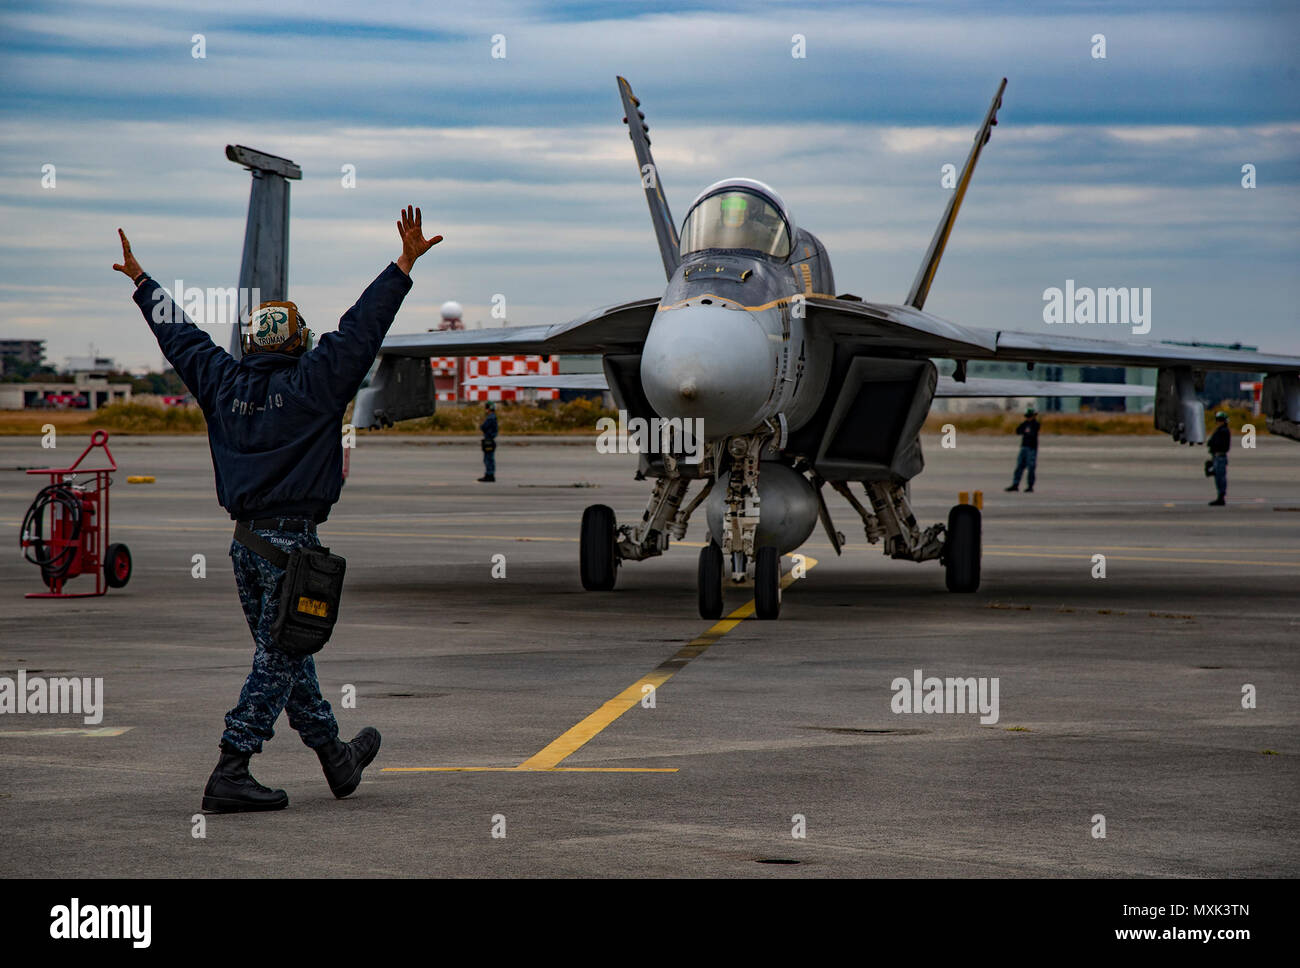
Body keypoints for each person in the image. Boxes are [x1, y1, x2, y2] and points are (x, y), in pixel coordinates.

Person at [113, 206, 442, 813]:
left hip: (244, 547)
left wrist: (144, 285)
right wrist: (402, 265)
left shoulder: (221, 382)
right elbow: (362, 328)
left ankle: (336, 759)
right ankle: (231, 768)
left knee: (289, 655)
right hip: (292, 547)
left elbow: (181, 338)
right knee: (280, 657)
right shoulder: (317, 381)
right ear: (299, 341)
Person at [1004, 406, 1041, 493]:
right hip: (1023, 447)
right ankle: (1015, 484)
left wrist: (1026, 431)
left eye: (1030, 416)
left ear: (1034, 415)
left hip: (1031, 448)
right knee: (1019, 467)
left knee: (1031, 467)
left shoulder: (1036, 424)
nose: (1028, 418)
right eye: (1027, 416)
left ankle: (1030, 486)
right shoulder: (1025, 424)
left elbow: (1031, 433)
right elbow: (1018, 431)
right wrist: (1025, 428)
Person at [1207, 411, 1231, 506]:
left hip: (1220, 457)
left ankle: (1221, 497)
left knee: (1220, 478)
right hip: (1216, 456)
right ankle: (1220, 496)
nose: (1218, 422)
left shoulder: (1223, 431)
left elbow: (1222, 445)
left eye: (1220, 420)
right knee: (1218, 477)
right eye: (1218, 420)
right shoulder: (1219, 431)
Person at [478, 401, 498, 482]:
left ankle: (489, 474)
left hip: (488, 440)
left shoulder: (490, 417)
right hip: (491, 439)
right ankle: (490, 474)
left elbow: (483, 427)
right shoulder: (494, 417)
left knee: (488, 458)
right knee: (490, 458)